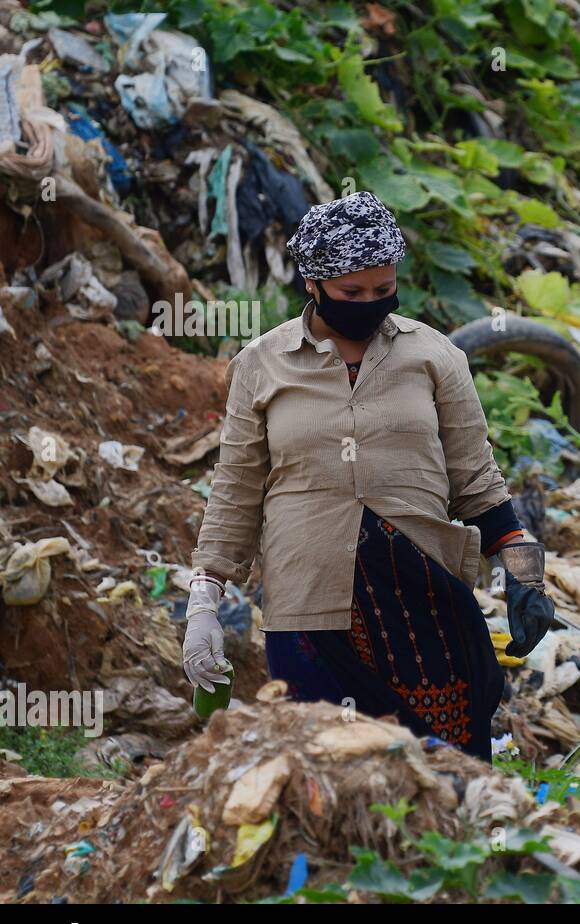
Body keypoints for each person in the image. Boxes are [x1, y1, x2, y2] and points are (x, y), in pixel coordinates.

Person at [182, 191, 553, 760]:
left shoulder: (435, 358)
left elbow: (479, 484)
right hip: (307, 605)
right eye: (351, 293)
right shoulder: (262, 365)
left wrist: (526, 576)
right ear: (313, 283)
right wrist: (204, 603)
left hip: (423, 597)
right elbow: (235, 492)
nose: (369, 303)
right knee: (327, 772)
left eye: (383, 290)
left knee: (443, 772)